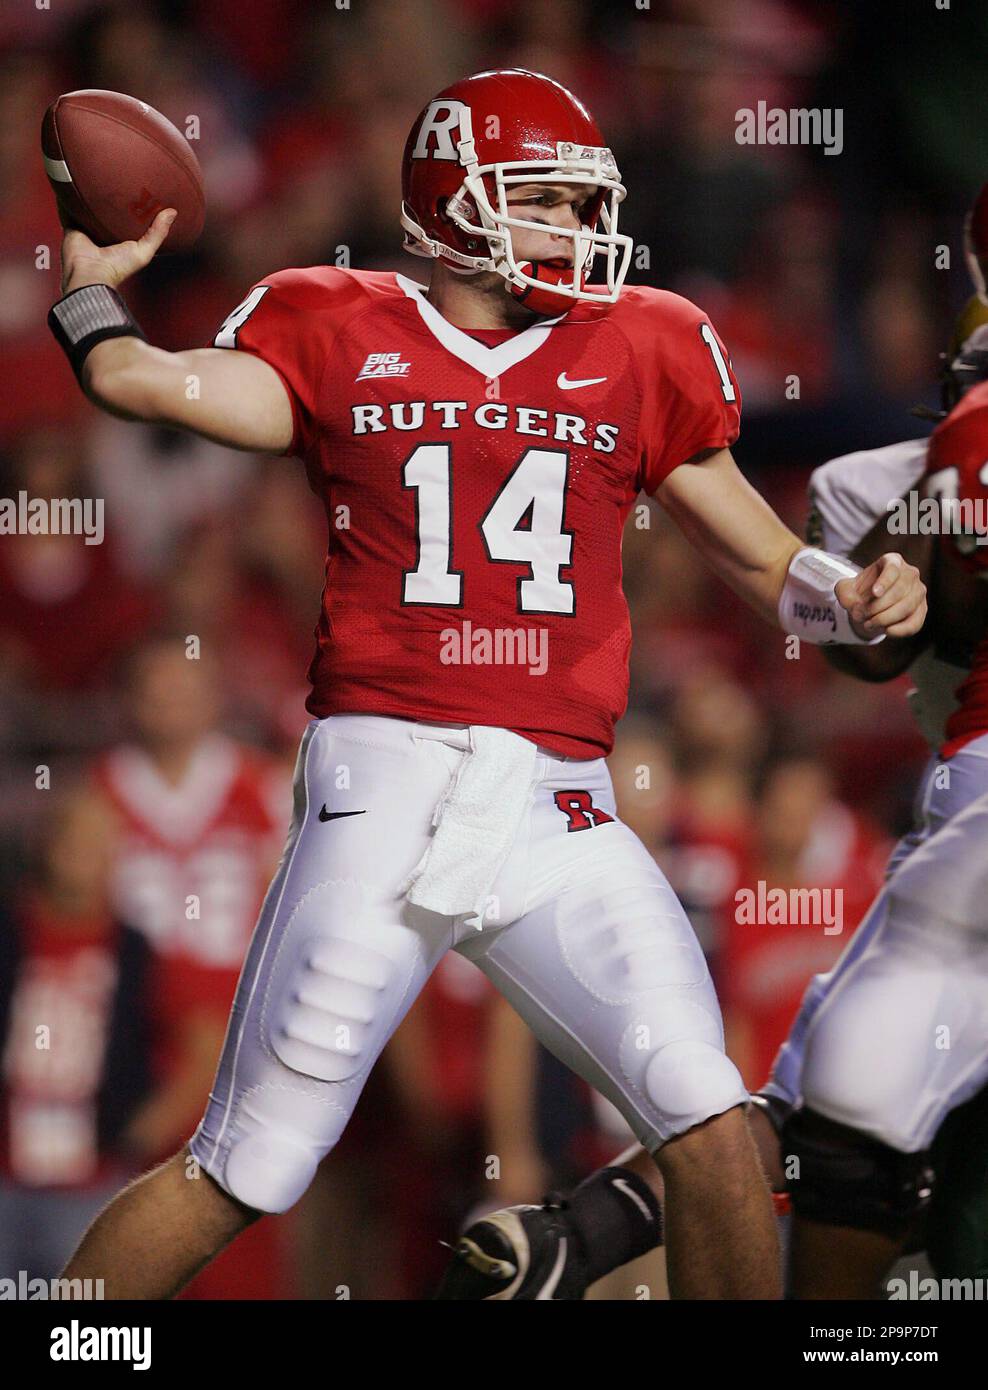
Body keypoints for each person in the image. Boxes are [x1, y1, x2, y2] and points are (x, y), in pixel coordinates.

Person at [49, 69, 925, 1301]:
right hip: (388, 787)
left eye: (583, 204)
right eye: (551, 203)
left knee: (716, 1130)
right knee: (247, 1166)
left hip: (561, 802)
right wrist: (92, 291)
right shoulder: (334, 319)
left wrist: (848, 593)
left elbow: (764, 558)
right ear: (460, 201)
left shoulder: (644, 340)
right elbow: (137, 380)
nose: (578, 230)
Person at [435, 270, 988, 1302]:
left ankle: (592, 1228)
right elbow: (869, 644)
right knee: (869, 1131)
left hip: (963, 847)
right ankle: (597, 1229)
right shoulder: (877, 483)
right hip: (963, 834)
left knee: (849, 1090)